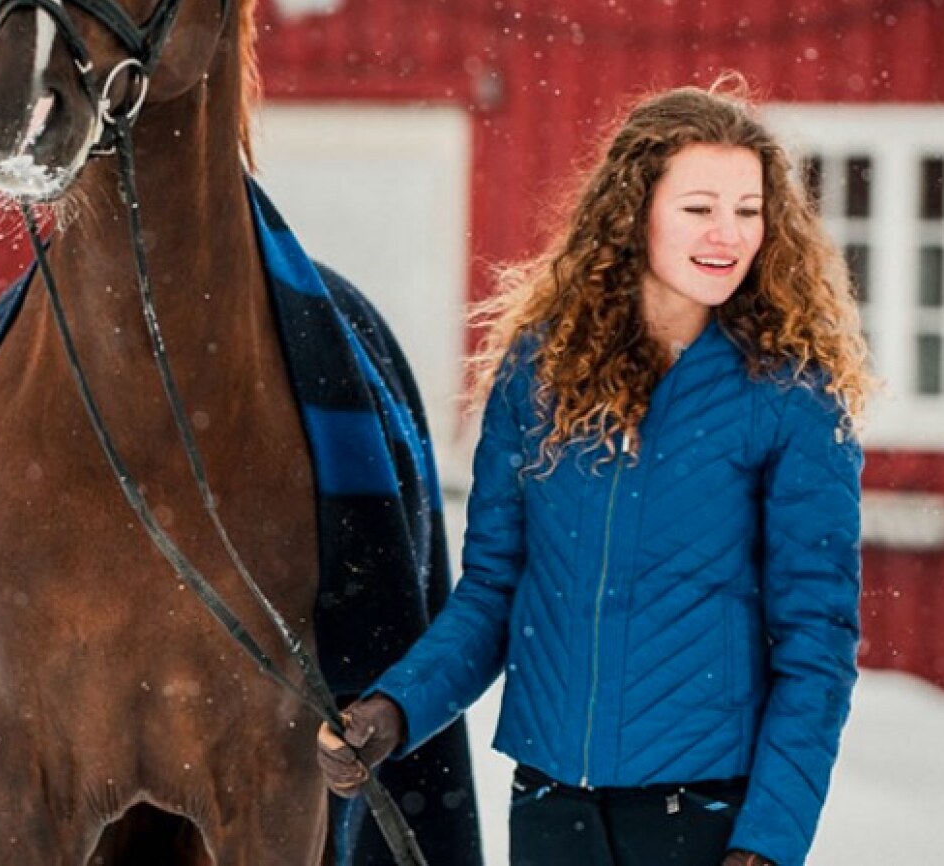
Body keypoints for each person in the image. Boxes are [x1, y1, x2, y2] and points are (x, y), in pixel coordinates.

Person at [317, 76, 872, 866]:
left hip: (700, 820)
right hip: (552, 810)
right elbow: (495, 594)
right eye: (699, 208)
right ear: (635, 212)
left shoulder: (790, 399)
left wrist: (767, 845)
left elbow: (816, 646)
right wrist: (394, 710)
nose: (728, 234)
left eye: (749, 211)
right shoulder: (542, 373)